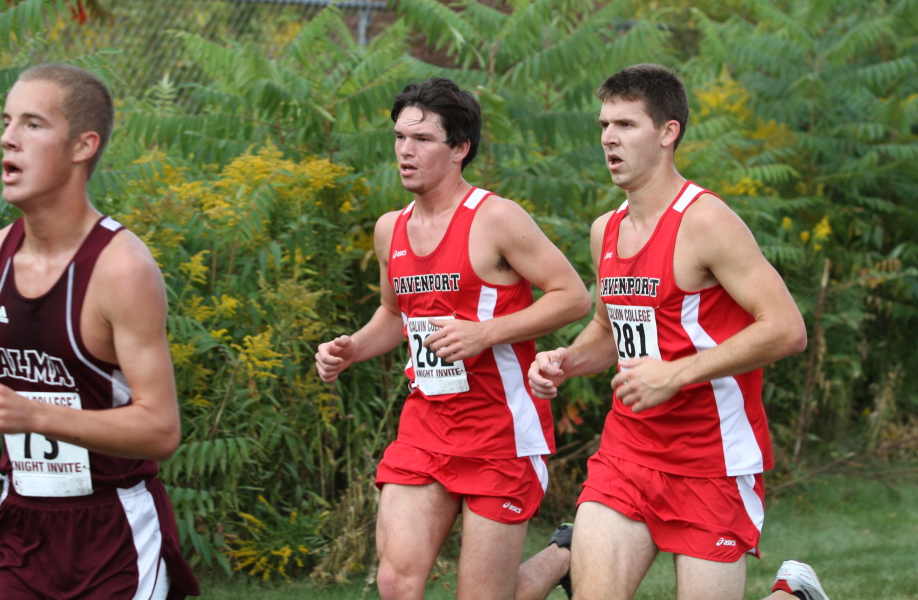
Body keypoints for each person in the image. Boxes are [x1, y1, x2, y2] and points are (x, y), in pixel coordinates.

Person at [523, 64, 827, 600]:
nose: (608, 139)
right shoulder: (606, 231)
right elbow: (606, 330)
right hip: (629, 452)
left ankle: (793, 595)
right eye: (602, 125)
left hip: (713, 460)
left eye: (625, 124)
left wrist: (676, 375)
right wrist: (565, 360)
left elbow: (786, 329)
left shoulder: (706, 221)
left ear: (668, 133)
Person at [314, 77, 590, 599]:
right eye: (399, 137)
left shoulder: (496, 219)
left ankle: (561, 557)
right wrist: (351, 348)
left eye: (422, 139)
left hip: (500, 431)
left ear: (460, 148)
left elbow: (573, 296)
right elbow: (394, 316)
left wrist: (485, 332)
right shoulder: (389, 229)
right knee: (396, 582)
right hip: (427, 423)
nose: (404, 150)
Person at [0, 64, 199, 599]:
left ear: (83, 146)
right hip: (22, 527)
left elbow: (161, 429)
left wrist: (37, 415)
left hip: (114, 532)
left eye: (33, 124)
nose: (8, 138)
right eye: (7, 121)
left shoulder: (121, 269)